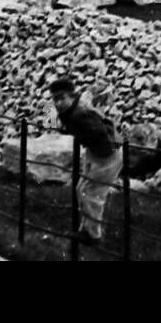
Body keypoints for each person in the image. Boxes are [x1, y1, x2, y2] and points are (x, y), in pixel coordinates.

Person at [50, 77, 123, 246]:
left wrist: (80, 137)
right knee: (81, 189)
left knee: (92, 194)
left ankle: (94, 236)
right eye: (55, 99)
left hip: (107, 155)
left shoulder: (79, 113)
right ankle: (86, 228)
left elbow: (100, 132)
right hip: (95, 152)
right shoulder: (71, 110)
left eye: (62, 98)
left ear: (72, 96)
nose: (58, 103)